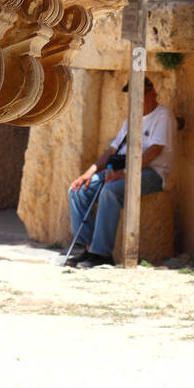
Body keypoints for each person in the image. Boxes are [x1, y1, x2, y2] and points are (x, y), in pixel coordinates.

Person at [67, 77, 175, 268]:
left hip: (151, 173)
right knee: (78, 190)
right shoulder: (131, 119)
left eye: (140, 94)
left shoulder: (163, 115)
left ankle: (101, 254)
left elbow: (155, 150)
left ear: (151, 93)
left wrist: (126, 173)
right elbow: (111, 151)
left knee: (110, 190)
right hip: (123, 169)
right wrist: (89, 172)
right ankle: (87, 246)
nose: (137, 98)